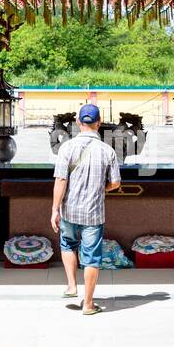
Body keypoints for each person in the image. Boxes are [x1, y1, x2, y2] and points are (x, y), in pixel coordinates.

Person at [51, 103, 121, 315]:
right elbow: (116, 183)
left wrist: (55, 209)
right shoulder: (108, 151)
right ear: (99, 124)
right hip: (93, 213)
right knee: (91, 258)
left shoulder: (66, 148)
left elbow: (61, 180)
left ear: (78, 123)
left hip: (69, 210)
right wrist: (101, 189)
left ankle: (72, 286)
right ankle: (89, 305)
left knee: (67, 244)